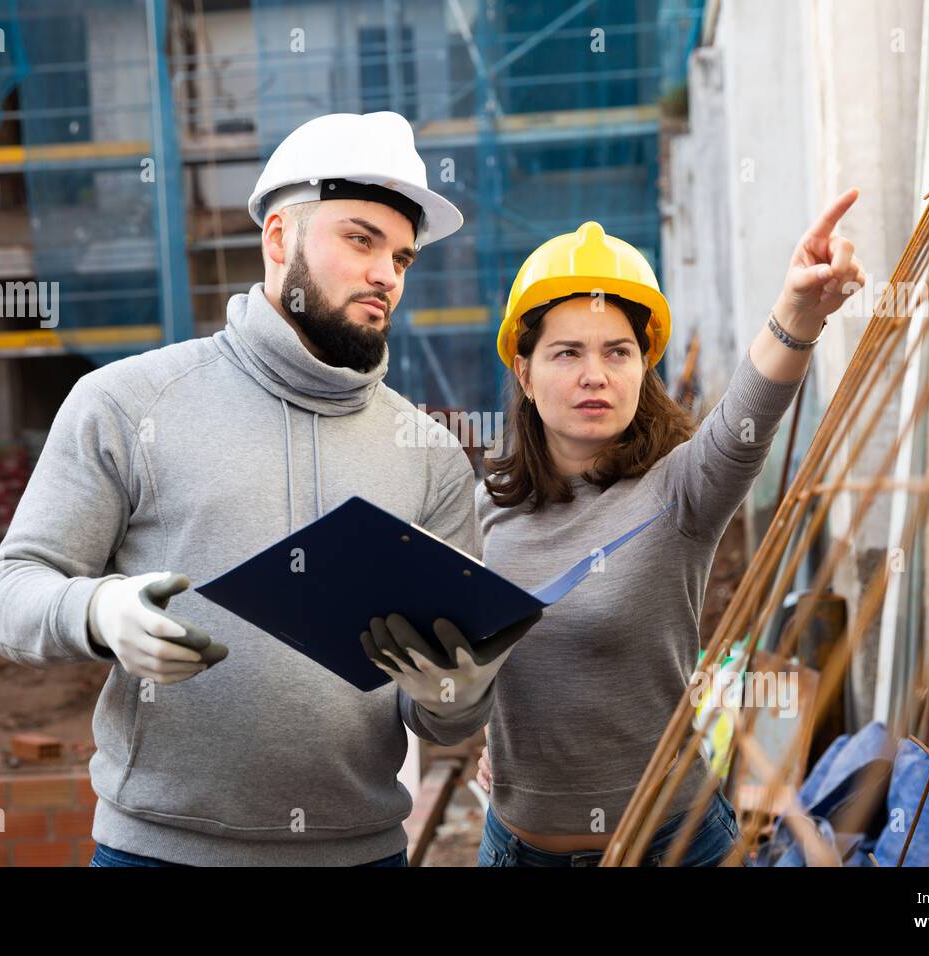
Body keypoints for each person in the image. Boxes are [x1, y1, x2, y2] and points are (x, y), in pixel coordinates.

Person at [0, 111, 515, 866]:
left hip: (361, 856)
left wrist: (454, 693)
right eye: (360, 239)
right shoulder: (130, 404)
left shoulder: (427, 456)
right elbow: (6, 593)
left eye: (402, 256)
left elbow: (446, 726)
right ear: (279, 240)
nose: (386, 275)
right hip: (158, 855)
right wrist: (98, 609)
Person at [363, 190, 865, 866]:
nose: (595, 376)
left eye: (618, 352)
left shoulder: (683, 490)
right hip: (520, 849)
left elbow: (752, 411)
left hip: (679, 846)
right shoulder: (480, 513)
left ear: (643, 366)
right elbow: (455, 680)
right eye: (567, 353)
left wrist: (799, 313)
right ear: (526, 371)